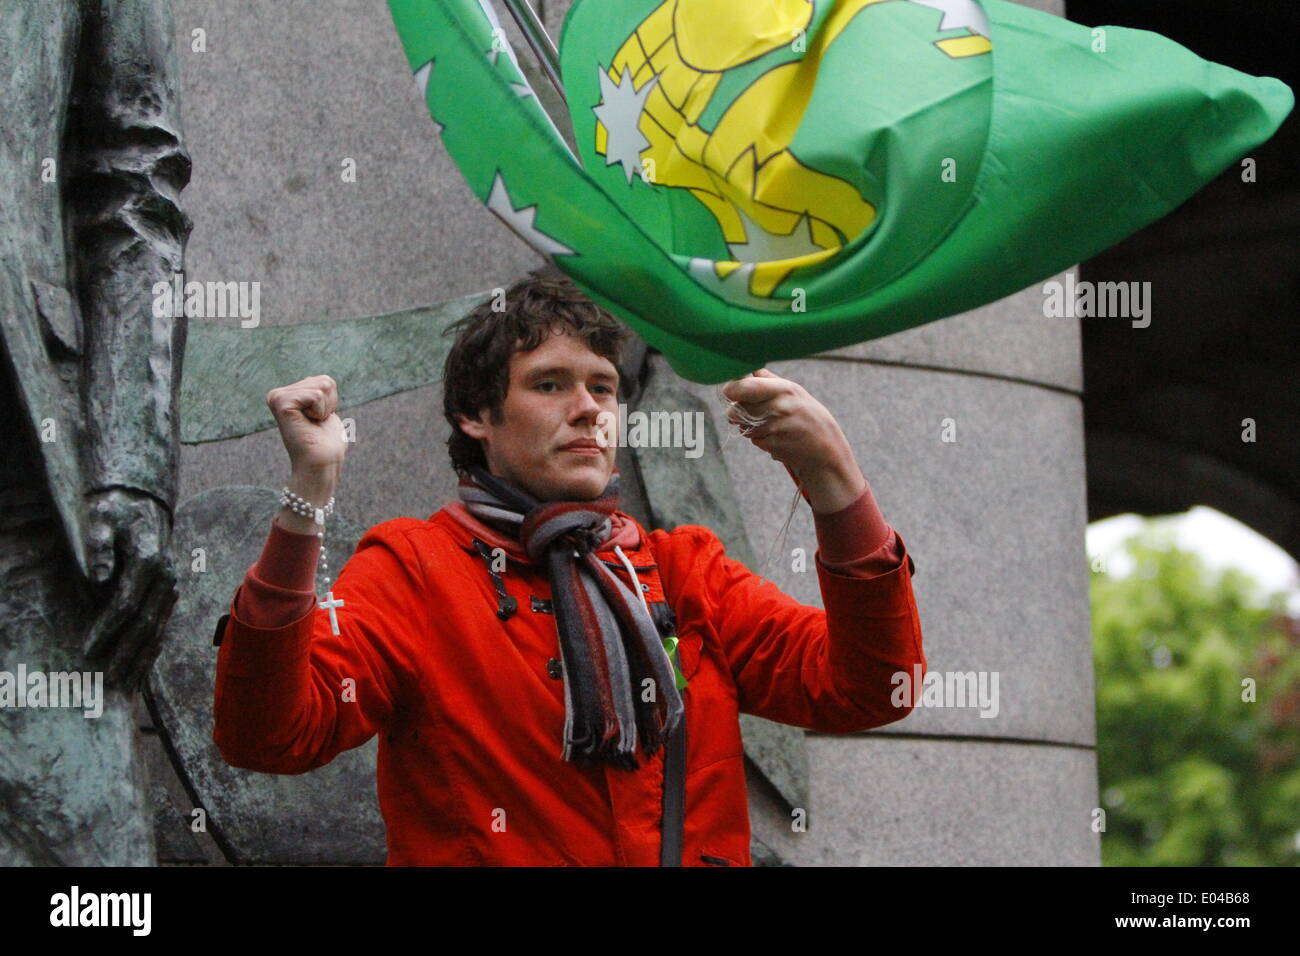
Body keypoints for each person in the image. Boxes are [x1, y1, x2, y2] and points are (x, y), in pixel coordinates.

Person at [211, 266, 926, 866]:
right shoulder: (416, 568)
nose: (588, 410)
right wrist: (306, 497)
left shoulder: (683, 569)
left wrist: (838, 488)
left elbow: (874, 688)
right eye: (550, 385)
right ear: (476, 417)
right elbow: (268, 735)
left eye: (604, 387)